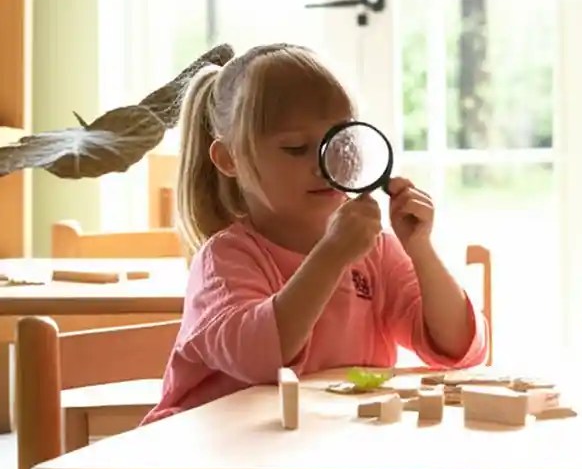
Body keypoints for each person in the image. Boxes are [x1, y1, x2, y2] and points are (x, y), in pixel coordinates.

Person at [142, 44, 487, 424]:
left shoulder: (375, 250)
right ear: (229, 160)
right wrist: (333, 255)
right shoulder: (224, 260)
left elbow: (459, 349)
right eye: (295, 148)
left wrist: (420, 249)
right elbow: (260, 360)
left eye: (340, 141)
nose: (325, 164)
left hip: (318, 453)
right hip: (212, 464)